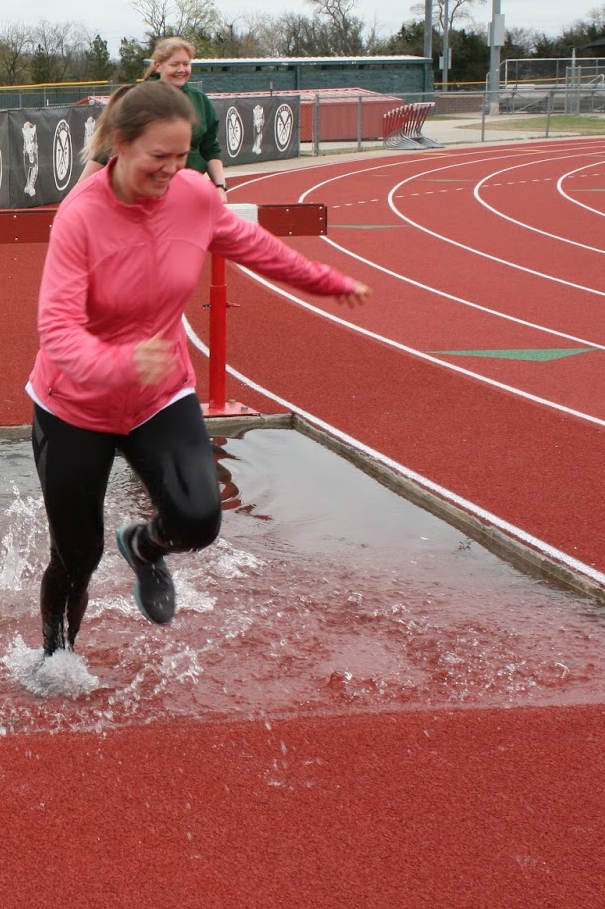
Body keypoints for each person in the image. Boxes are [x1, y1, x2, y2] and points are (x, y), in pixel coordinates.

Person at [28, 81, 370, 655]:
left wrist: (328, 282)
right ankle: (56, 658)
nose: (170, 171)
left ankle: (144, 547)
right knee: (77, 554)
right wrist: (120, 361)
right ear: (120, 144)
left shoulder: (195, 196)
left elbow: (258, 247)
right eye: (157, 158)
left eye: (182, 157)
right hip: (75, 403)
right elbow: (57, 331)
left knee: (198, 519)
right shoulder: (79, 217)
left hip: (158, 394)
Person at [83, 36, 226, 192]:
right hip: (147, 192)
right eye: (174, 64)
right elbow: (106, 146)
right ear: (158, 65)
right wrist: (80, 188)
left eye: (186, 64)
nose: (182, 69)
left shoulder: (199, 100)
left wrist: (220, 186)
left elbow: (210, 148)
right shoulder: (140, 98)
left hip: (188, 191)